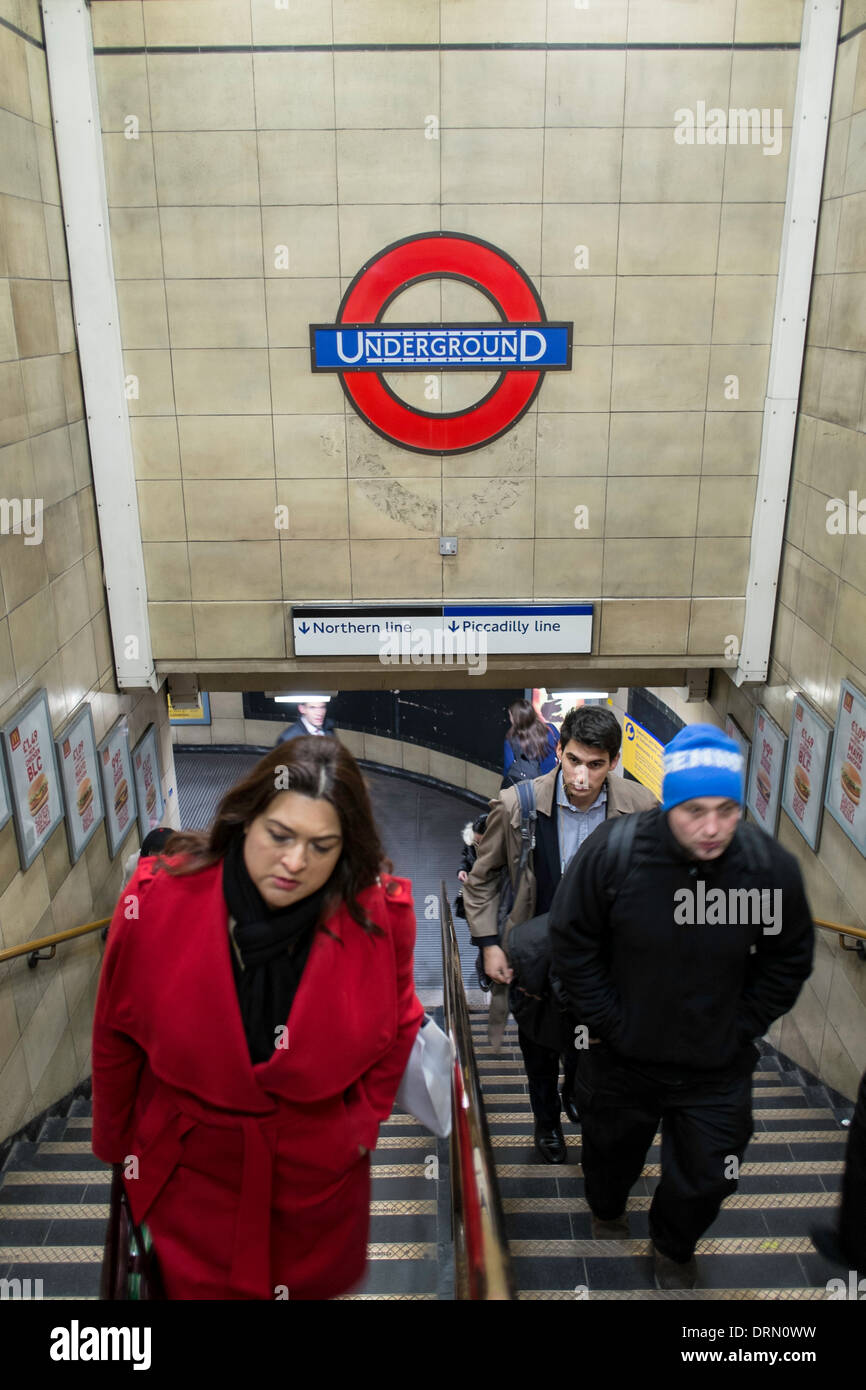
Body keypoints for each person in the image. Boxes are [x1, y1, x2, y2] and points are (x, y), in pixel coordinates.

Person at [91, 736, 424, 1300]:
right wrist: (120, 1153)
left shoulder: (380, 914)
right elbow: (115, 1035)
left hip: (316, 1182)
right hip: (190, 1177)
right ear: (247, 820)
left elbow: (402, 1023)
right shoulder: (157, 899)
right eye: (280, 836)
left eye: (323, 846)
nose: (296, 863)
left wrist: (360, 1128)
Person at [549, 723, 814, 1289]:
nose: (713, 827)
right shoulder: (614, 856)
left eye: (727, 810)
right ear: (668, 804)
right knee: (609, 1153)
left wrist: (739, 1025)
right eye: (695, 810)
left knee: (709, 1174)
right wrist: (609, 1021)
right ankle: (608, 1206)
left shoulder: (768, 870)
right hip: (623, 1061)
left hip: (715, 1069)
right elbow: (572, 942)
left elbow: (788, 959)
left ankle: (673, 1244)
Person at [463, 705, 656, 1163]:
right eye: (573, 760)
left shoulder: (642, 809)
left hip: (601, 964)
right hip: (533, 959)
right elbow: (484, 878)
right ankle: (547, 1125)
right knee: (538, 1054)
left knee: (589, 1046)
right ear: (559, 751)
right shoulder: (518, 806)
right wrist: (489, 944)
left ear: (613, 762)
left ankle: (578, 1092)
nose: (583, 776)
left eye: (595, 764)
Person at [502, 697, 558, 787]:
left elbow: (508, 767)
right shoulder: (551, 729)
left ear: (515, 718)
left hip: (534, 787)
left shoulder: (511, 739)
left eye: (510, 715)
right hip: (554, 781)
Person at [454, 813, 488, 920]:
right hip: (474, 890)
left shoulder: (497, 848)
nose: (477, 843)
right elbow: (467, 860)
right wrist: (462, 870)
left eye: (479, 840)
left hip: (488, 893)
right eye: (476, 840)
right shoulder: (470, 841)